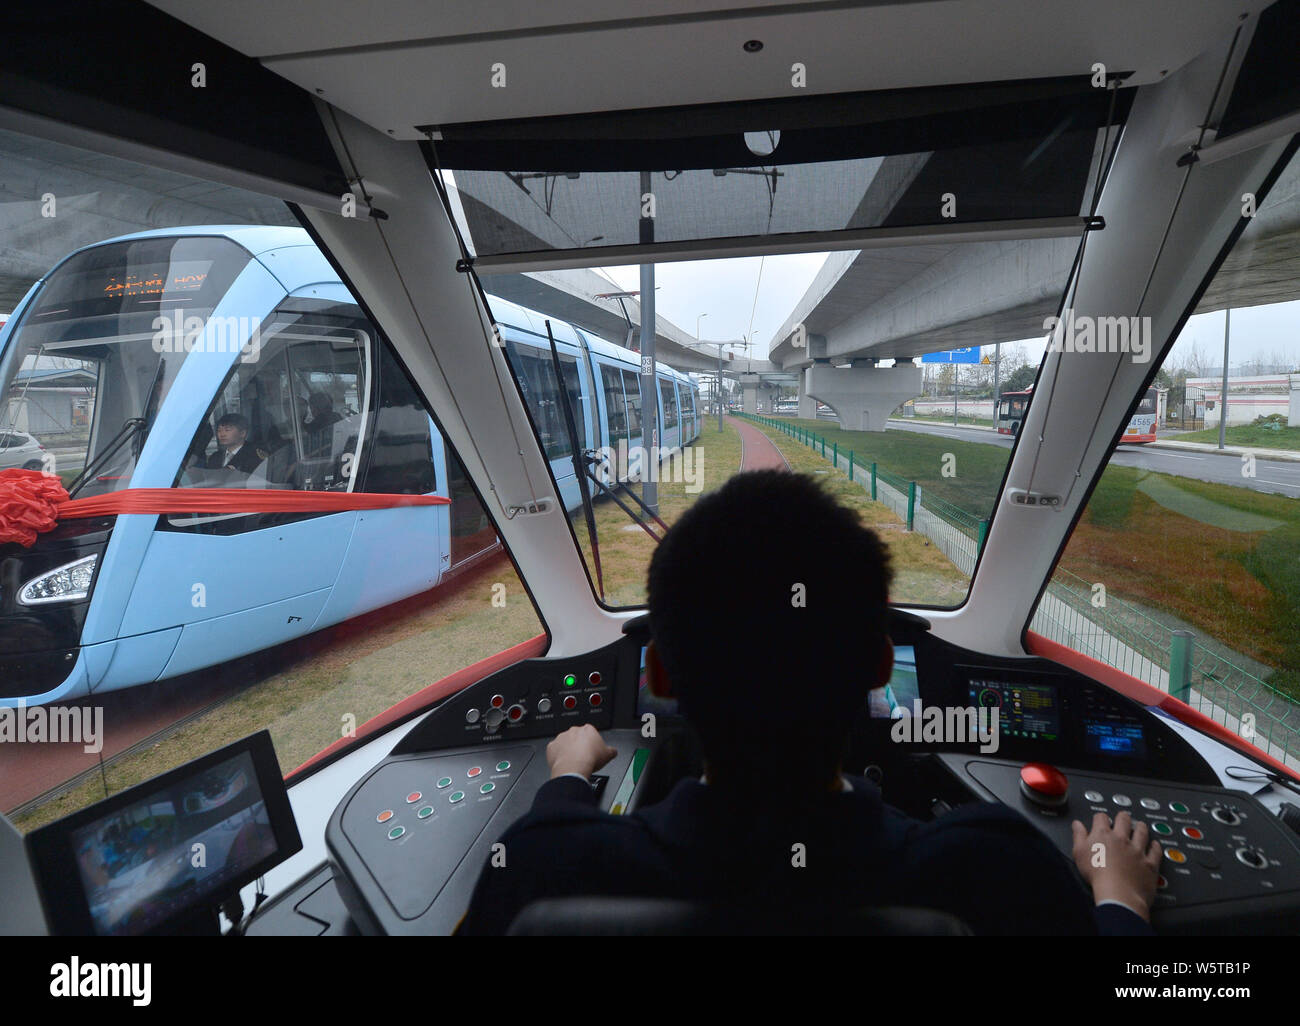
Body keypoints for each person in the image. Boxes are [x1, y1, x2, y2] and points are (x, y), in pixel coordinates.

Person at [457, 471, 1161, 935]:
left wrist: (568, 782)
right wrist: (1119, 900)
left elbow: (547, 846)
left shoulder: (538, 871)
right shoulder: (997, 871)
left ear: (661, 673)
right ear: (881, 663)